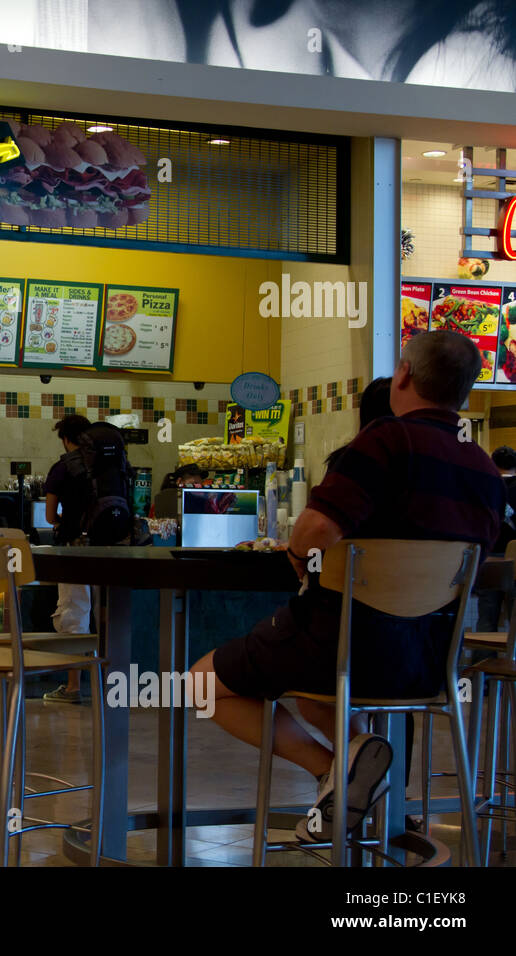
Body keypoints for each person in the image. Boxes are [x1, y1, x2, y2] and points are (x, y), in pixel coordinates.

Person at [191, 332, 505, 844]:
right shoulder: (485, 469)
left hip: (341, 643)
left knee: (200, 685)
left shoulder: (385, 441)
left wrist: (298, 558)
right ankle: (370, 786)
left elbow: (313, 532)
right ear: (466, 391)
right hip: (427, 661)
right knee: (320, 699)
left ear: (403, 374)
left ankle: (330, 771)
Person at [41, 414, 93, 703]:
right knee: (109, 615)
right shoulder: (106, 466)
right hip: (111, 548)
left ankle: (74, 687)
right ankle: (113, 682)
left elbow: (50, 516)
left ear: (65, 438)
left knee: (74, 613)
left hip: (75, 547)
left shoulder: (61, 469)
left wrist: (64, 522)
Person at [477, 444, 516, 632]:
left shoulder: (485, 487)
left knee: (486, 616)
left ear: (492, 463)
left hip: (489, 558)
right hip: (515, 559)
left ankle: (482, 659)